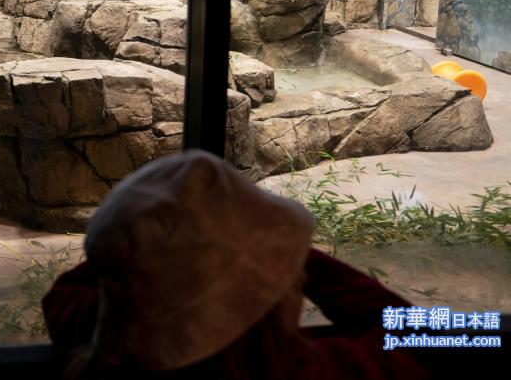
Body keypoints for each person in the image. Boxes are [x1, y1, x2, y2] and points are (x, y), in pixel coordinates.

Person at [42, 151, 435, 379]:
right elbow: (418, 333)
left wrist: (152, 241)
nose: (298, 274)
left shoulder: (104, 340)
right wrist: (277, 247)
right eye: (289, 269)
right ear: (263, 297)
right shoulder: (322, 370)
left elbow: (71, 292)